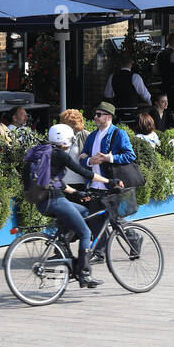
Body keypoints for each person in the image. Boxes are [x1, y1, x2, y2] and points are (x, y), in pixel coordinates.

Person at [28, 123, 116, 289]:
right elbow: (85, 173)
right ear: (65, 140)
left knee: (83, 211)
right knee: (85, 232)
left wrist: (76, 193)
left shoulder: (44, 152)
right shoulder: (61, 155)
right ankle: (84, 274)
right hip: (56, 201)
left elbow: (55, 181)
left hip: (41, 202)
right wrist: (109, 181)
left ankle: (64, 241)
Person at [78, 103, 137, 192]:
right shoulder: (91, 136)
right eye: (95, 114)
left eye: (99, 115)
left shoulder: (119, 134)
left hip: (112, 188)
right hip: (92, 187)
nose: (95, 117)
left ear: (109, 117)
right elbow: (82, 158)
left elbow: (130, 156)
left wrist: (110, 158)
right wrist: (89, 161)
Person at [58, 108, 91, 185]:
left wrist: (87, 156)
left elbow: (93, 153)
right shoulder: (59, 136)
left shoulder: (86, 136)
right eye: (65, 124)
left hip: (80, 182)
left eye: (72, 125)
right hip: (61, 182)